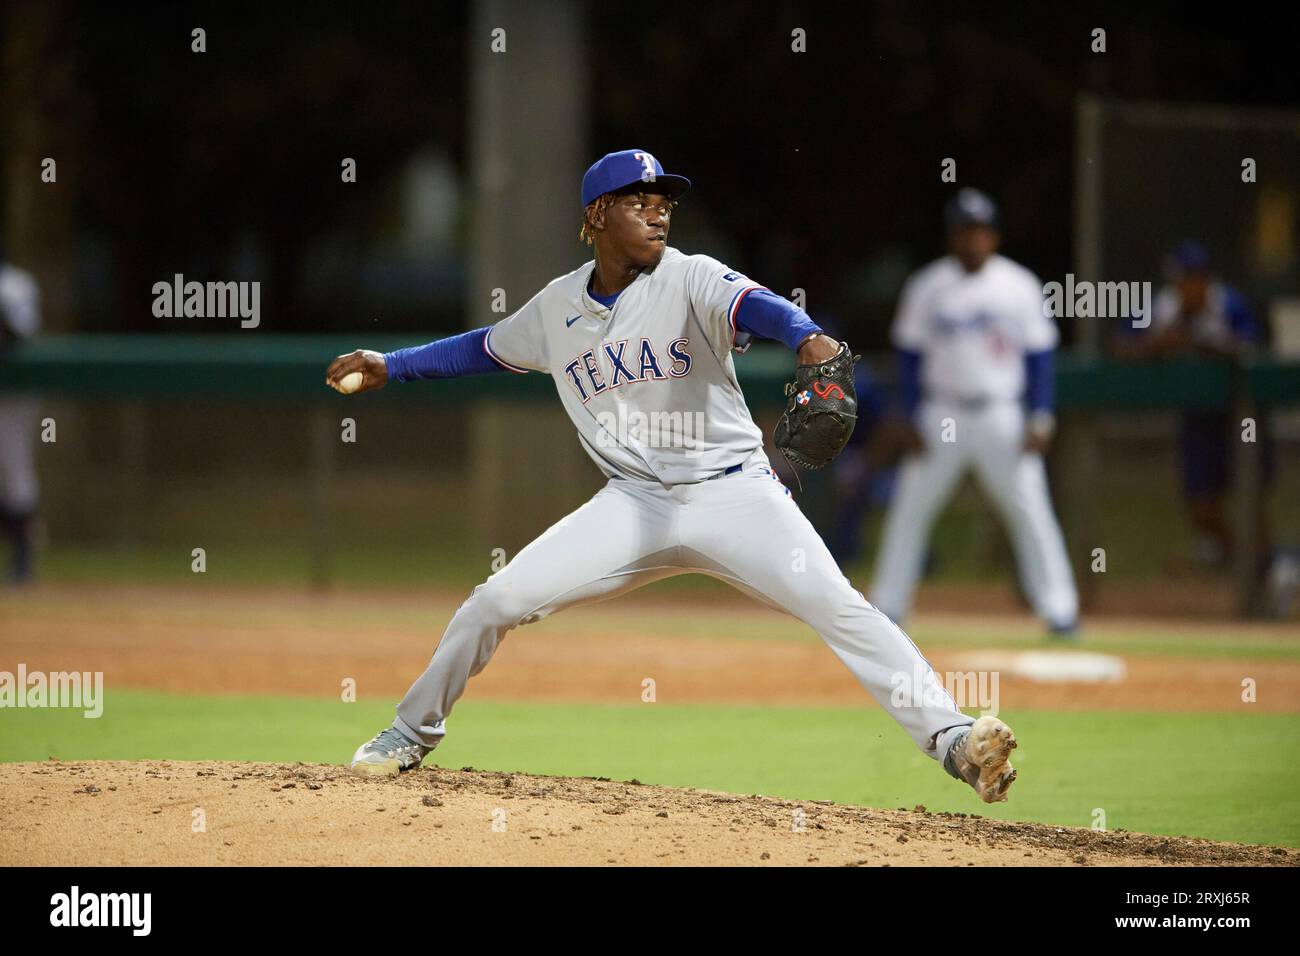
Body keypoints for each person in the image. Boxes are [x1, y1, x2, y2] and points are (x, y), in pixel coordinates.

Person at [326, 150, 1018, 803]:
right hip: (631, 505)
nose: (658, 213)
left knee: (840, 606)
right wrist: (394, 364)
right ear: (596, 216)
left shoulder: (690, 276)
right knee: (492, 604)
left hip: (734, 493)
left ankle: (952, 740)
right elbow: (482, 348)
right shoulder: (556, 307)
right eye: (638, 201)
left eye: (664, 203)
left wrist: (807, 335)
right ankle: (410, 732)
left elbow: (760, 308)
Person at [869, 189, 1079, 637]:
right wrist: (908, 415)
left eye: (980, 231)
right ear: (952, 237)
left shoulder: (1019, 284)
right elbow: (909, 355)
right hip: (941, 411)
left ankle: (1060, 612)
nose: (973, 240)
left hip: (1002, 414)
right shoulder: (928, 285)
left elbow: (1040, 356)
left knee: (1030, 510)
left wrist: (1041, 415)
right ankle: (887, 609)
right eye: (965, 231)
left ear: (994, 236)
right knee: (911, 509)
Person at [1115, 241, 1271, 573]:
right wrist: (1156, 346)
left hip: (1242, 415)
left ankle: (1261, 570)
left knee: (1252, 499)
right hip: (1198, 415)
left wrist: (1210, 345)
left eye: (1191, 278)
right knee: (1201, 506)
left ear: (1204, 277)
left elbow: (1254, 345)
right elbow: (1120, 344)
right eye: (1180, 279)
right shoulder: (1162, 305)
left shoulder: (1228, 302)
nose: (1185, 286)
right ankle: (1244, 561)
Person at [0, 241, 42, 584]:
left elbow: (20, 334)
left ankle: (22, 566)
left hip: (11, 396)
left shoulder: (16, 285)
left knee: (16, 477)